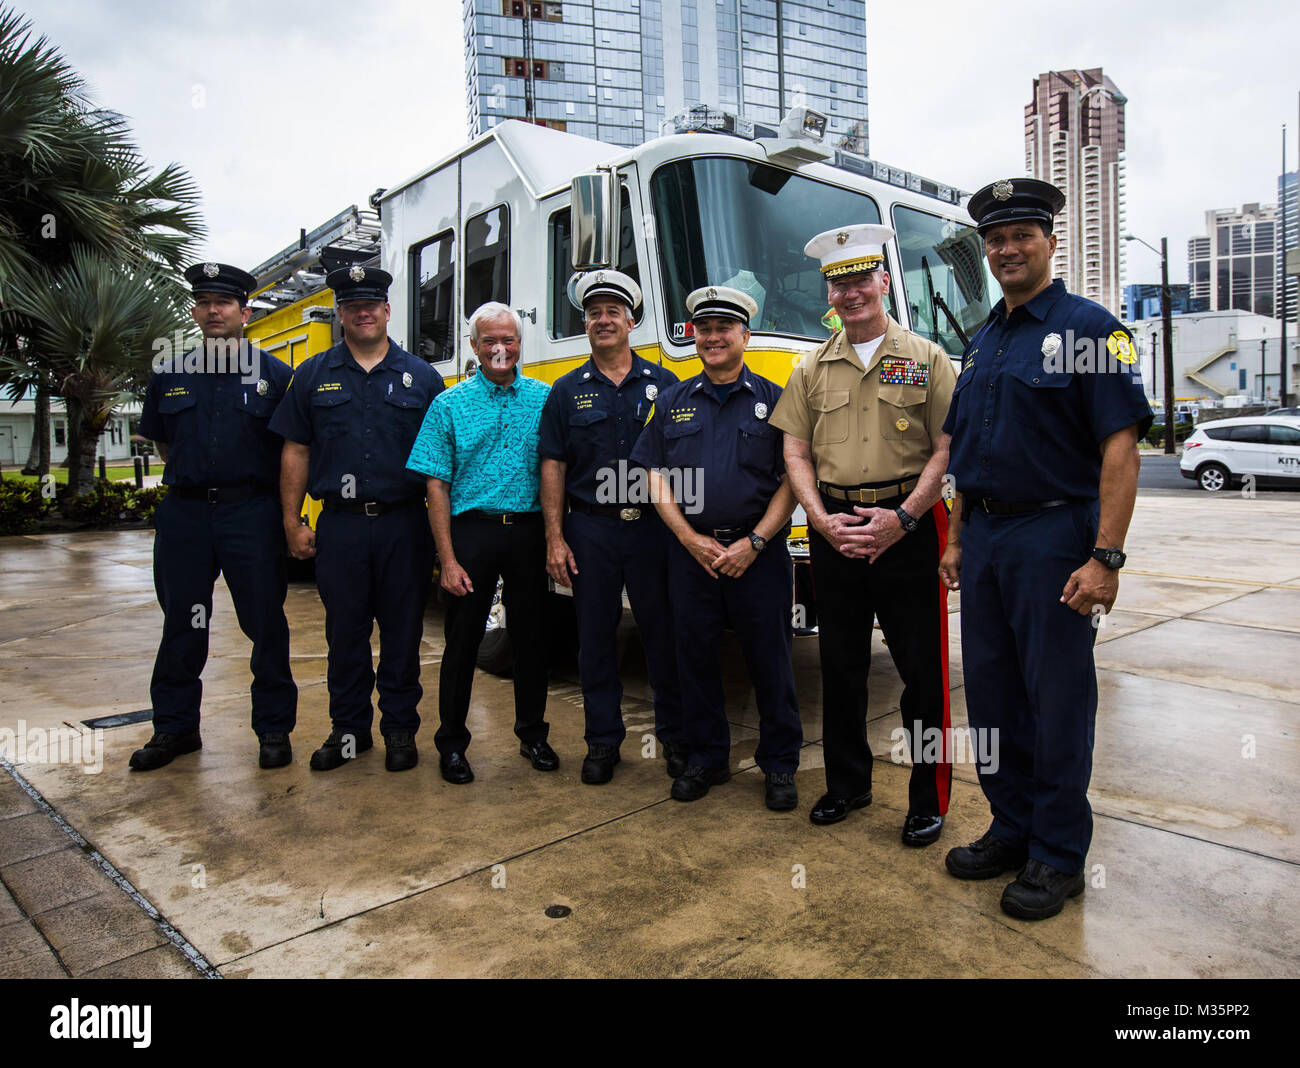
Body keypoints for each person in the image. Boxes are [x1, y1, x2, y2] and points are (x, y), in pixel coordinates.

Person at [938, 178, 1151, 920]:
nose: (1007, 250)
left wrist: (1107, 558)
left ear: (1050, 242)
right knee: (993, 696)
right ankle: (1012, 826)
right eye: (996, 240)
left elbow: (1119, 449)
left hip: (1057, 536)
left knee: (1056, 698)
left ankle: (1058, 854)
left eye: (1022, 235)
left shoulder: (1093, 329)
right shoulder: (985, 339)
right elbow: (971, 451)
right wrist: (960, 536)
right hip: (989, 536)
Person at [770, 224, 957, 846]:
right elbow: (795, 451)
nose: (850, 293)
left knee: (923, 674)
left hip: (909, 528)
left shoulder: (928, 358)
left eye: (860, 279)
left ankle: (926, 798)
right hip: (835, 530)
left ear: (884, 280)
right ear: (829, 292)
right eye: (837, 282)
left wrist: (902, 520)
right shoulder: (811, 366)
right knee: (840, 666)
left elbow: (946, 450)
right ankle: (847, 784)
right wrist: (818, 518)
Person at [630, 285, 800, 809]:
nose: (712, 338)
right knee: (695, 659)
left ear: (744, 336)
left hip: (760, 553)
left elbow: (793, 480)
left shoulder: (775, 400)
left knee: (770, 660)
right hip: (692, 556)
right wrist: (688, 538)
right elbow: (653, 474)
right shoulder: (674, 400)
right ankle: (707, 758)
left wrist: (755, 541)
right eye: (703, 330)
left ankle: (779, 766)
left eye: (724, 328)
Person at [269, 265, 442, 773]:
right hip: (341, 526)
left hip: (403, 525)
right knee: (344, 633)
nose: (363, 312)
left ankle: (400, 732)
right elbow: (295, 450)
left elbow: (439, 463)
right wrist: (292, 521)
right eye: (351, 305)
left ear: (388, 311)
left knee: (403, 633)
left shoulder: (423, 378)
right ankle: (348, 732)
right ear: (341, 313)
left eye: (372, 305)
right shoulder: (313, 375)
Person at [132, 262, 297, 771]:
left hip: (251, 512)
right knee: (182, 622)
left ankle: (273, 729)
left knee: (265, 623)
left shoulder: (276, 377)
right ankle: (176, 729)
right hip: (185, 514)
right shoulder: (169, 374)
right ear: (194, 310)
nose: (213, 311)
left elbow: (292, 450)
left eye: (223, 303)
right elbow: (163, 442)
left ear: (244, 311)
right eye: (203, 302)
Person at [539, 270, 684, 785]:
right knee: (594, 639)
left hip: (651, 531)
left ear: (632, 321)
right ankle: (602, 742)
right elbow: (552, 465)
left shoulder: (665, 385)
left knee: (662, 637)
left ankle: (675, 739)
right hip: (591, 532)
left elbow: (677, 462)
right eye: (594, 313)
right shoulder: (565, 391)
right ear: (586, 323)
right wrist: (555, 537)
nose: (603, 320)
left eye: (613, 312)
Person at [406, 302, 556, 785]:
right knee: (463, 641)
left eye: (508, 340)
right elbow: (435, 486)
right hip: (472, 532)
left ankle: (533, 735)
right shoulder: (448, 405)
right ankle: (452, 744)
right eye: (489, 340)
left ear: (519, 344)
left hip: (529, 532)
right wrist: (446, 559)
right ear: (473, 347)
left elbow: (558, 469)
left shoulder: (544, 398)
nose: (499, 348)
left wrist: (556, 537)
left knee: (532, 640)